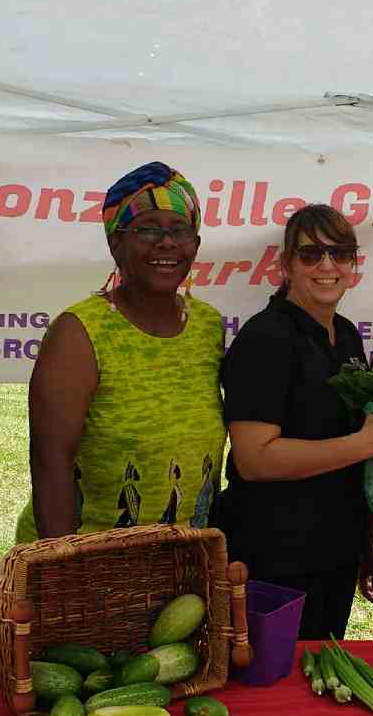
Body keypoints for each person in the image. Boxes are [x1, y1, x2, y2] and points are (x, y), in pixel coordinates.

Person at [218, 205, 373, 639]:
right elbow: (255, 459)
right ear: (286, 264)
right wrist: (370, 442)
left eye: (340, 253)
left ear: (353, 265)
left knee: (321, 676)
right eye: (311, 254)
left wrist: (363, 541)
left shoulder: (344, 333)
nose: (327, 266)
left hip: (335, 549)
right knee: (274, 691)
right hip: (274, 556)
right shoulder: (265, 339)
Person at [19, 162, 225, 539]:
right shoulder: (79, 333)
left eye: (179, 230)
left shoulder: (208, 327)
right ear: (116, 243)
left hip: (180, 563)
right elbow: (51, 463)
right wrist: (64, 569)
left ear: (195, 244)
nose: (166, 243)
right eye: (148, 229)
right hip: (89, 562)